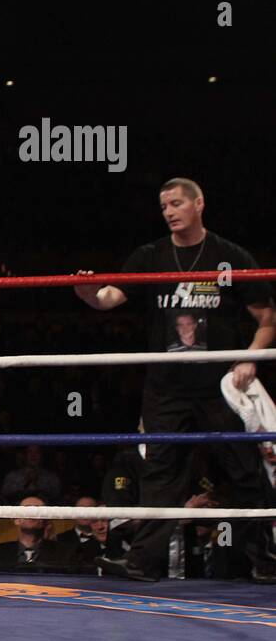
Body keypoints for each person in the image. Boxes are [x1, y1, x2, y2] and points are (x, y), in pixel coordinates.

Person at [75, 177, 276, 583]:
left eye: (177, 203)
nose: (169, 211)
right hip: (166, 387)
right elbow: (108, 298)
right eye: (164, 205)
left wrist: (249, 358)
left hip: (220, 385)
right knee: (160, 473)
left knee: (243, 469)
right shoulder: (151, 256)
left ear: (199, 204)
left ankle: (267, 561)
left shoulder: (228, 256)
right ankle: (144, 563)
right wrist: (87, 291)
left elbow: (267, 318)